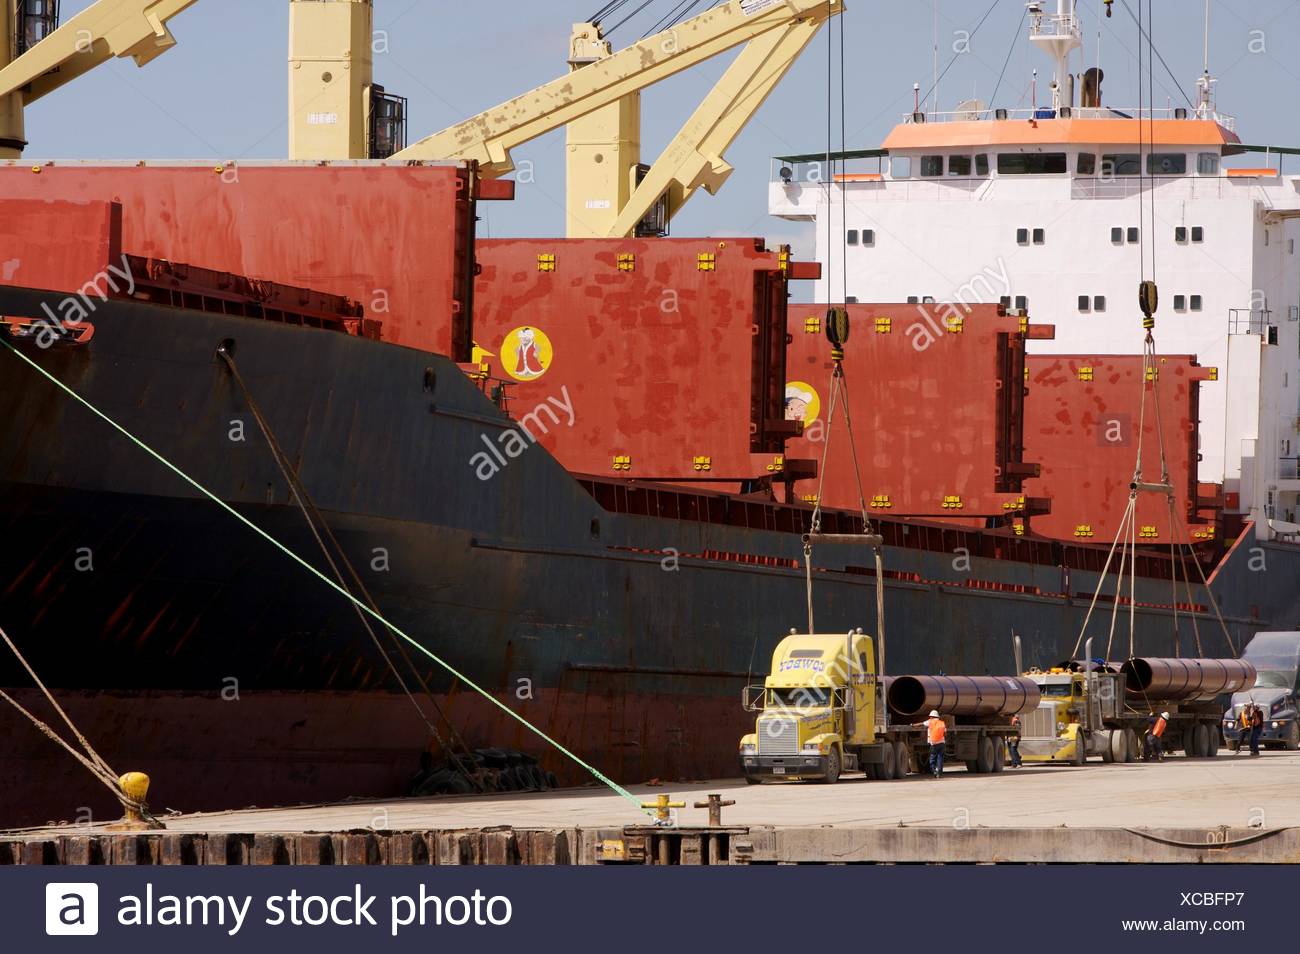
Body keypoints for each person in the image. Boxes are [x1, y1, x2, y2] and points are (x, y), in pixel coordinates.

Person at [923, 709, 947, 777]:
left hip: (934, 744)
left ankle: (934, 771)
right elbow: (945, 733)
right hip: (942, 743)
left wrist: (912, 725)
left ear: (932, 716)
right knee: (940, 759)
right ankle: (939, 773)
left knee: (932, 759)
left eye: (930, 716)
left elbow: (921, 724)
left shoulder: (930, 722)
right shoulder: (942, 723)